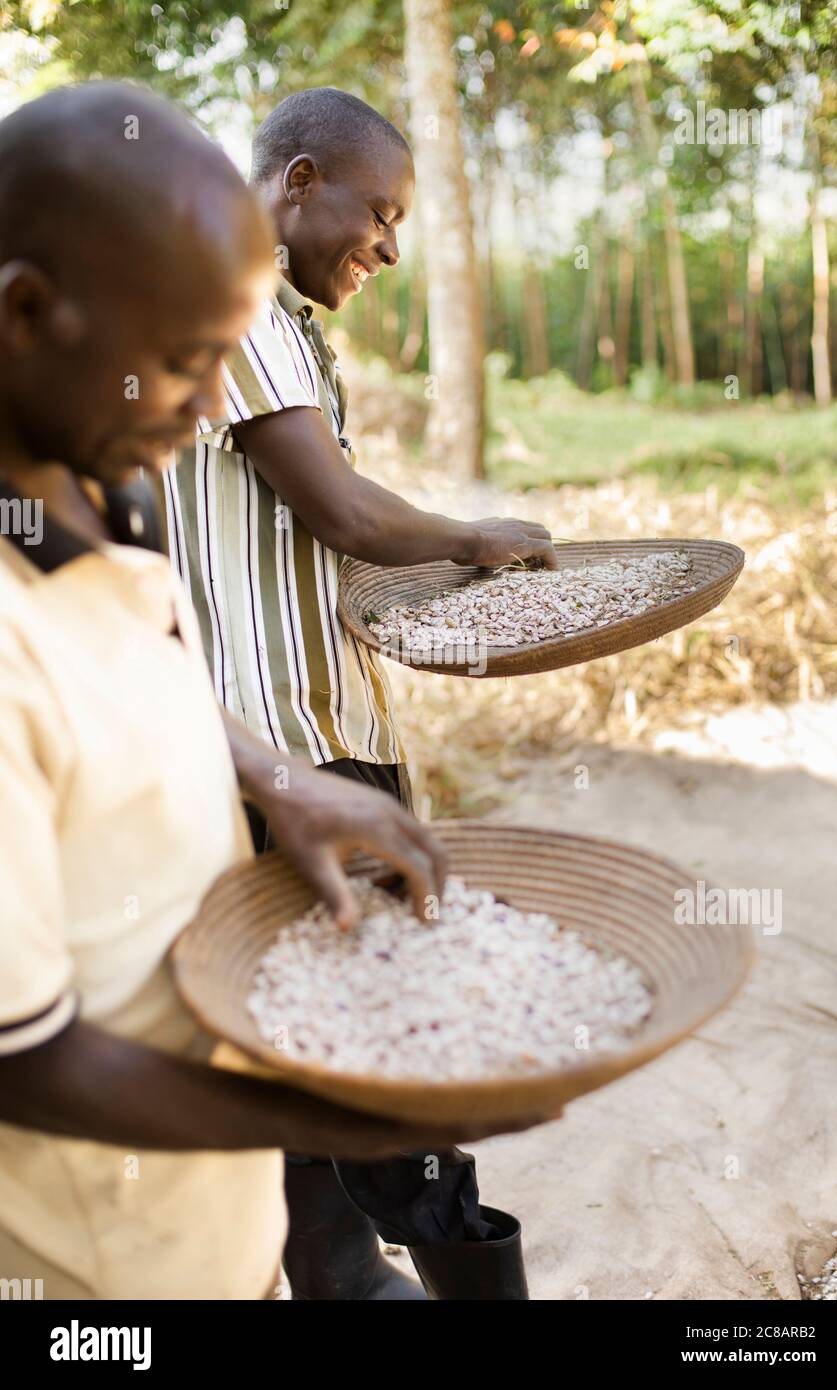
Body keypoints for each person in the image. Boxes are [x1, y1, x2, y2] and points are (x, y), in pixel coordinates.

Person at [0, 82, 552, 1301]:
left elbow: (152, 666)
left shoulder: (104, 517)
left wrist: (273, 779)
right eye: (186, 364)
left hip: (217, 1235)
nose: (206, 411)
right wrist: (324, 1110)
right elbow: (26, 1060)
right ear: (29, 316)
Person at [167, 87, 553, 1299]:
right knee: (388, 1052)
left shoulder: (237, 306)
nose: (386, 246)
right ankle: (446, 1278)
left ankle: (349, 1283)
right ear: (294, 182)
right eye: (377, 212)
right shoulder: (234, 300)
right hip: (291, 749)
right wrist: (468, 536)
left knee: (285, 1043)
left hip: (245, 740)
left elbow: (303, 530)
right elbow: (340, 509)